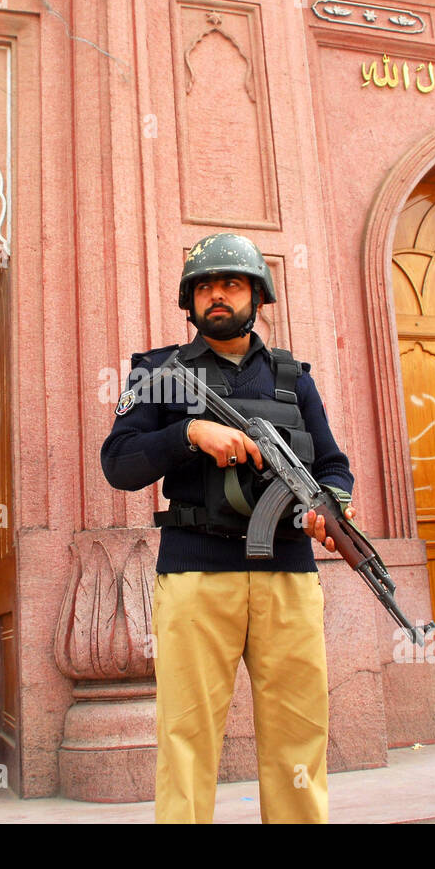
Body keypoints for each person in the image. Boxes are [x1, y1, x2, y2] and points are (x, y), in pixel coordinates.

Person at [100, 232, 355, 823]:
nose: (218, 295)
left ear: (256, 297)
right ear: (189, 302)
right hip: (195, 573)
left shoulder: (294, 378)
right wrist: (189, 435)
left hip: (288, 576)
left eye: (232, 284)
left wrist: (332, 506)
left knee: (298, 734)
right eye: (205, 286)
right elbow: (120, 464)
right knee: (187, 736)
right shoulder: (159, 373)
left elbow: (333, 465)